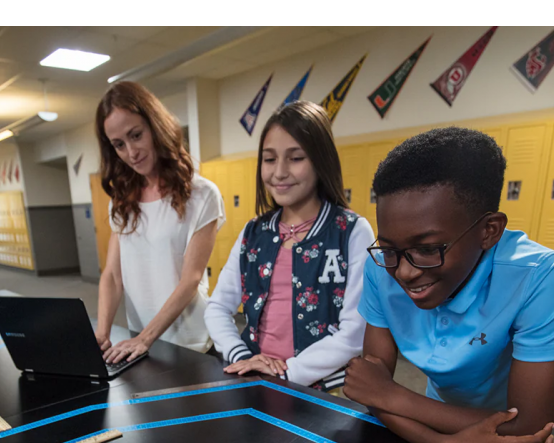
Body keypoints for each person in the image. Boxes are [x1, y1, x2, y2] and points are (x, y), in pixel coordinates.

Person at [343, 126, 554, 443]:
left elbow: (528, 429)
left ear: (489, 231)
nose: (404, 272)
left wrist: (395, 398)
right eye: (390, 248)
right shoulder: (381, 267)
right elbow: (369, 387)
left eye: (428, 249)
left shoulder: (540, 275)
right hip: (437, 417)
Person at [204, 101, 373, 390]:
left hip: (325, 389)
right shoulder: (253, 233)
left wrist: (288, 373)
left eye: (295, 158)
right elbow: (217, 307)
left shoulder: (351, 232)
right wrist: (242, 357)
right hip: (256, 379)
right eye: (269, 159)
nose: (279, 172)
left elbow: (355, 332)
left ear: (321, 161)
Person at [94, 81, 225, 362]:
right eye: (119, 145)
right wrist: (102, 334)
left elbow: (190, 280)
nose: (131, 152)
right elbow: (113, 276)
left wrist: (146, 338)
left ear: (155, 126)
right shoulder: (121, 200)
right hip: (139, 342)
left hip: (190, 343)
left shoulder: (201, 194)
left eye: (136, 135)